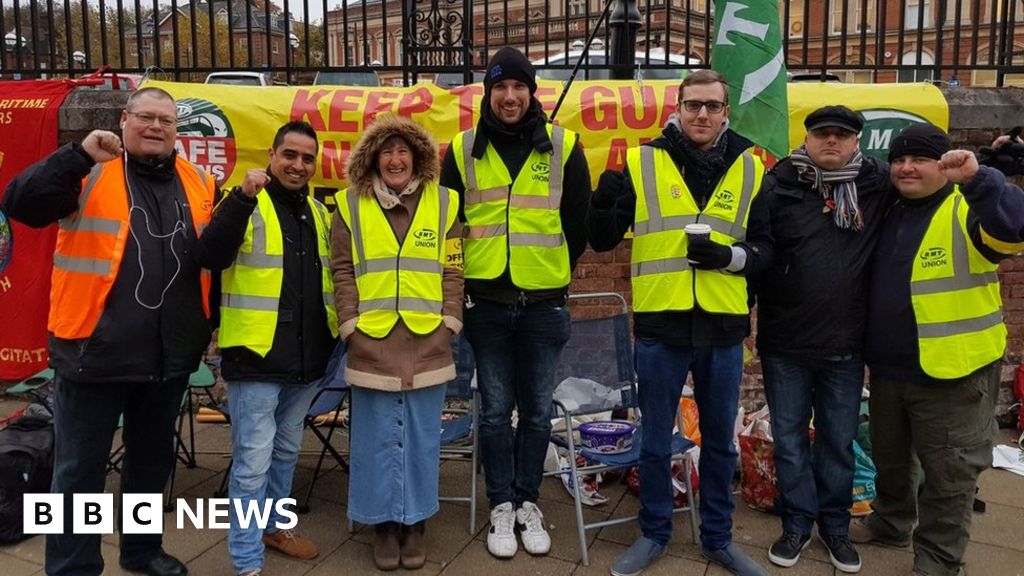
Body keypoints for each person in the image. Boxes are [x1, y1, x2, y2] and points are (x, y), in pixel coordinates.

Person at [1, 87, 229, 576]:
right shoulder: (89, 169)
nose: (155, 127)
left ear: (176, 130)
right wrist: (76, 153)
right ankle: (72, 565)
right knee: (79, 473)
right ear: (124, 120)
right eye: (145, 116)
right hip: (92, 351)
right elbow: (20, 202)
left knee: (149, 467)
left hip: (167, 358)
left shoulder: (197, 180)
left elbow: (207, 262)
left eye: (166, 120)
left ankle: (141, 551)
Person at [588, 69, 770, 576]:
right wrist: (602, 200)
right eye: (693, 105)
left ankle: (718, 537)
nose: (703, 115)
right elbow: (601, 239)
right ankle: (654, 534)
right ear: (678, 107)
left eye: (713, 106)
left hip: (722, 328)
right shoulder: (642, 162)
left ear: (726, 111)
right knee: (653, 440)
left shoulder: (752, 169)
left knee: (719, 442)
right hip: (661, 325)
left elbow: (767, 251)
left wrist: (728, 258)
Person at [438, 46, 591, 559]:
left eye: (519, 87)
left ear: (532, 93)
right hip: (486, 304)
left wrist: (551, 274)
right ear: (488, 93)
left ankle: (529, 502)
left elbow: (577, 224)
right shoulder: (461, 150)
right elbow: (449, 228)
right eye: (500, 87)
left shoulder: (563, 146)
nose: (509, 97)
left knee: (539, 413)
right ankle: (501, 503)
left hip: (544, 303)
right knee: (496, 409)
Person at [852, 123, 1024, 576]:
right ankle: (891, 522)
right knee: (891, 459)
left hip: (955, 371)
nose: (907, 167)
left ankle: (938, 559)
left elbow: (1015, 230)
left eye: (921, 159)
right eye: (899, 159)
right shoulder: (888, 206)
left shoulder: (966, 208)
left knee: (949, 473)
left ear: (943, 165)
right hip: (891, 368)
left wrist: (980, 178)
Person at [755, 105, 891, 573]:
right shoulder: (778, 186)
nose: (831, 142)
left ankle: (834, 526)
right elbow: (759, 253)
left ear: (857, 142)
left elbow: (927, 182)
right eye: (822, 134)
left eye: (842, 135)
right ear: (807, 138)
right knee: (790, 441)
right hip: (785, 342)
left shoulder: (877, 185)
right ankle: (796, 524)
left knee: (837, 441)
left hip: (846, 344)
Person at [332, 114, 464, 571]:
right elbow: (342, 270)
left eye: (403, 150)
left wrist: (450, 319)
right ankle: (382, 524)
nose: (395, 159)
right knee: (374, 436)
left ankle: (415, 522)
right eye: (386, 151)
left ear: (418, 158)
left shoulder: (446, 203)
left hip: (429, 339)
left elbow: (453, 267)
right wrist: (348, 324)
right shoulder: (349, 205)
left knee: (422, 436)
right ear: (372, 158)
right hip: (371, 339)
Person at [211, 121, 339, 576]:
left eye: (307, 158)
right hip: (257, 358)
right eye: (290, 155)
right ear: (271, 154)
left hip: (306, 362)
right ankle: (246, 560)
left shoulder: (320, 214)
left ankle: (274, 526)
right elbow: (210, 254)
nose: (298, 165)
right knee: (251, 464)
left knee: (286, 452)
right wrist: (242, 198)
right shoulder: (245, 202)